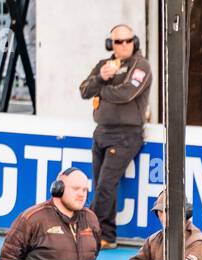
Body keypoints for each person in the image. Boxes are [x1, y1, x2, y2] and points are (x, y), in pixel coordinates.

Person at [79, 24, 151, 248]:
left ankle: (86, 230)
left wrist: (101, 89)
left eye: (128, 41)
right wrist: (100, 78)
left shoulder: (141, 66)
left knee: (105, 186)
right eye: (118, 42)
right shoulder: (104, 66)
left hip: (126, 135)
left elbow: (127, 93)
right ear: (111, 44)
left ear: (134, 42)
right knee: (101, 183)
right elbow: (84, 90)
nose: (124, 45)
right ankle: (107, 235)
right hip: (101, 132)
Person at [0, 167, 99, 260]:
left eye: (85, 190)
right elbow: (8, 259)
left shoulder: (91, 218)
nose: (81, 194)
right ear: (58, 189)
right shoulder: (33, 218)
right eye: (75, 189)